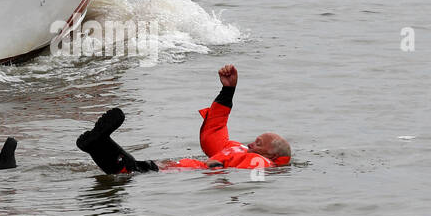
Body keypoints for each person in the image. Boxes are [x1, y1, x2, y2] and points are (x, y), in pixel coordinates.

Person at [76, 64, 291, 174]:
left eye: (259, 143)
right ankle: (98, 144)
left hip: (186, 173)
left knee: (135, 172)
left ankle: (100, 144)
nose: (252, 142)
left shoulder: (261, 162)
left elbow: (252, 176)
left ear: (272, 153)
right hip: (178, 168)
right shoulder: (238, 149)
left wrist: (219, 169)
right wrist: (228, 91)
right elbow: (213, 132)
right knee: (135, 170)